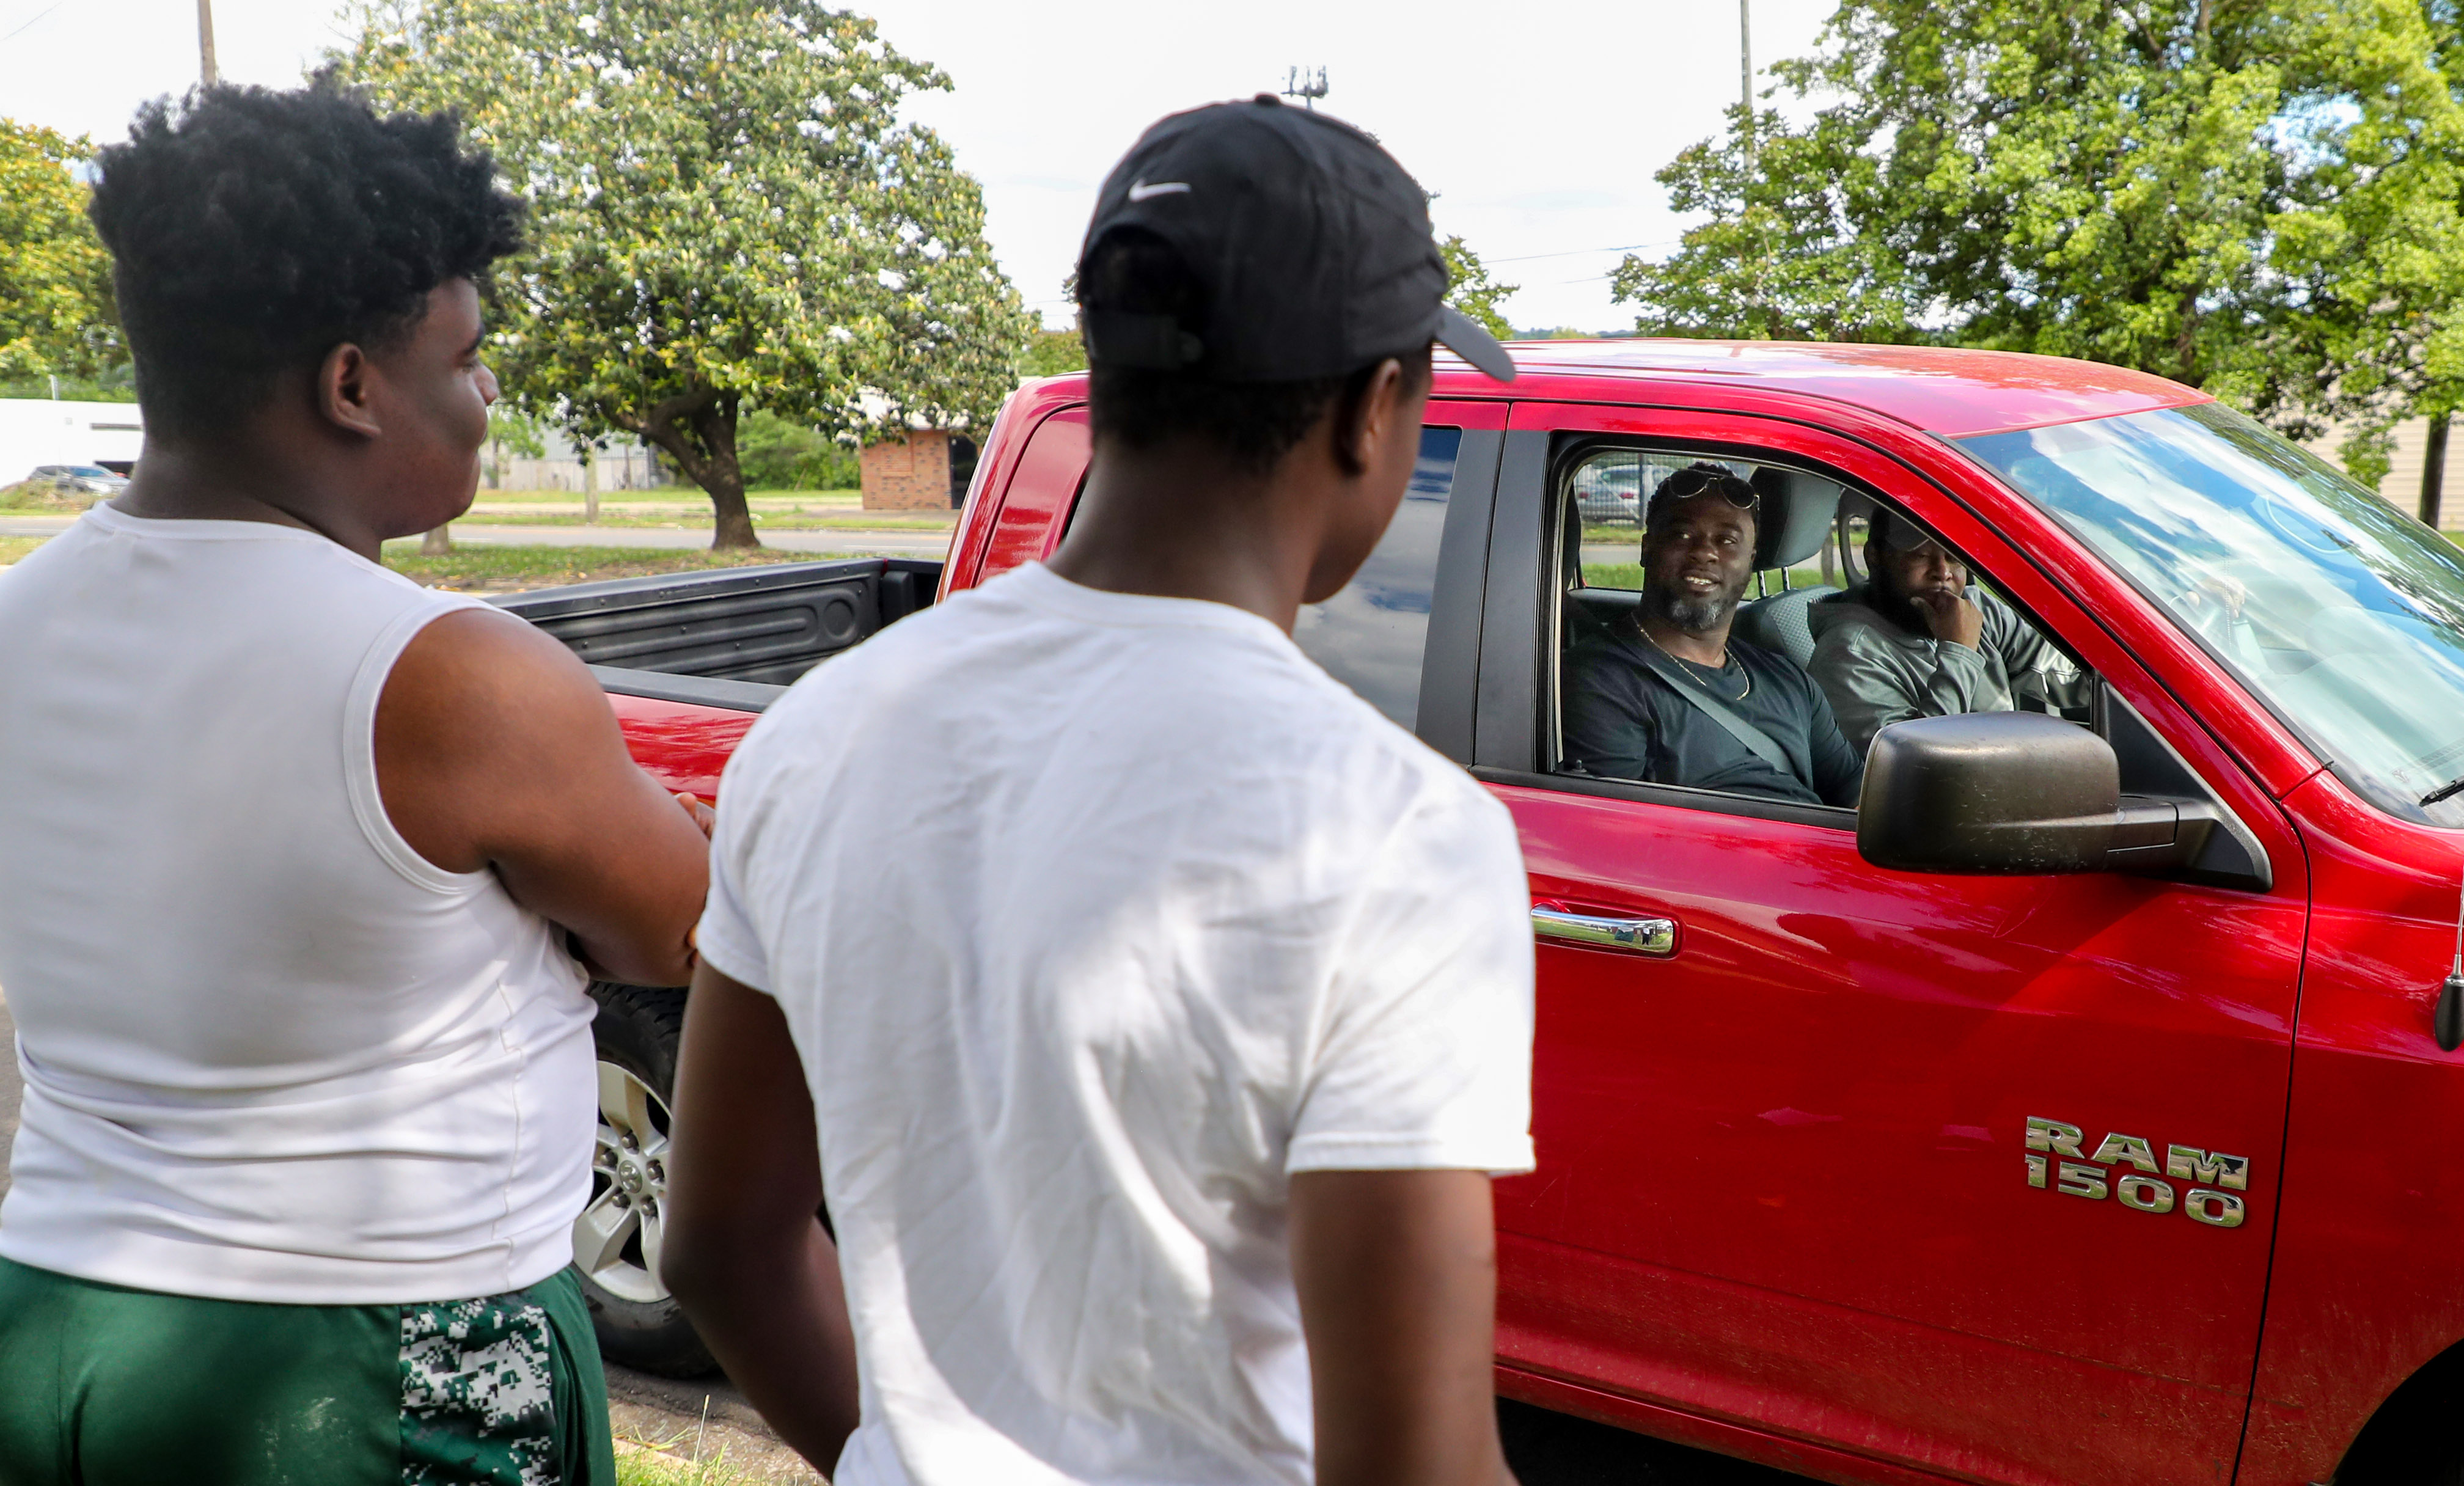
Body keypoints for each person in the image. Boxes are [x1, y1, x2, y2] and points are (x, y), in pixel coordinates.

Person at [659, 96, 1533, 1486]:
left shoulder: (820, 730)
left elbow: (716, 1242)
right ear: (1377, 413)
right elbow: (1416, 1463)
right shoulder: (1391, 832)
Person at [0, 86, 714, 1486]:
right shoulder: (454, 675)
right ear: (350, 385)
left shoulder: (16, 621)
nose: (487, 392)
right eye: (467, 355)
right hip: (370, 1359)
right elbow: (679, 927)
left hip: (59, 1322)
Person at [1563, 463, 1863, 806]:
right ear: (1647, 549)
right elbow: (1615, 836)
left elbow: (1853, 794)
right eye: (1682, 535)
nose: (1705, 552)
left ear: (1749, 562)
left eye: (1727, 540)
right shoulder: (1599, 683)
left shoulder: (1788, 680)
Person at [1806, 508, 2093, 753]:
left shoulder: (1977, 609)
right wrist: (1960, 652)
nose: (1942, 572)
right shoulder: (1849, 655)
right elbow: (1921, 769)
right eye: (1920, 555)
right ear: (1875, 557)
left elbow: (2067, 676)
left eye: (1954, 556)